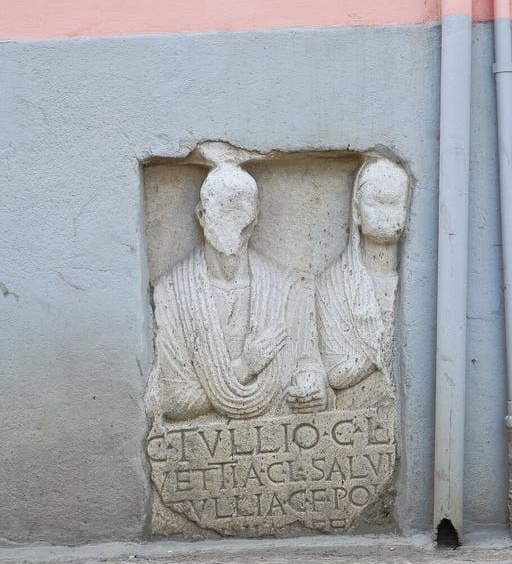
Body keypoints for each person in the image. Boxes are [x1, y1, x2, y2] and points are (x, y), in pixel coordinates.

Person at [147, 163, 326, 421]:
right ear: (201, 214)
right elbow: (173, 399)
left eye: (240, 209)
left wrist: (313, 387)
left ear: (254, 218)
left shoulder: (288, 290)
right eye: (222, 208)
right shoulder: (171, 294)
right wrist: (245, 366)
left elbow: (308, 365)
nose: (232, 219)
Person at [316, 157, 409, 408]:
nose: (385, 214)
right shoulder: (333, 283)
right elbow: (334, 372)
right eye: (376, 202)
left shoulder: (412, 284)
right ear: (357, 210)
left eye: (394, 203)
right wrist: (378, 350)